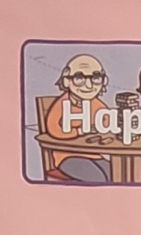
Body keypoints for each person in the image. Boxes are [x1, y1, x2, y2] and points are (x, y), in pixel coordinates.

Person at [42, 53, 114, 184]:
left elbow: (107, 121)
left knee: (117, 174)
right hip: (68, 157)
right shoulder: (62, 104)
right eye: (79, 78)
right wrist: (78, 131)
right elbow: (54, 128)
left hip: (93, 154)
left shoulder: (97, 104)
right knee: (98, 178)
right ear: (66, 81)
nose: (89, 85)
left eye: (96, 78)